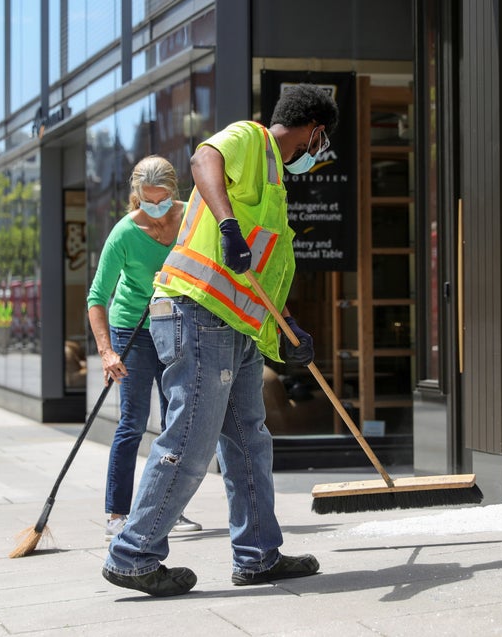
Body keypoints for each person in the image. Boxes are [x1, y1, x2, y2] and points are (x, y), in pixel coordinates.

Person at [102, 83, 338, 597]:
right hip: (196, 312)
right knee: (190, 438)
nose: (319, 151)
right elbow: (203, 157)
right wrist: (227, 224)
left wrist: (287, 331)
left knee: (249, 440)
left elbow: (263, 283)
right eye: (322, 141)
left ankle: (257, 555)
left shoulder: (274, 184)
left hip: (235, 326)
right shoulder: (252, 138)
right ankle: (133, 553)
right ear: (315, 130)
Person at [87, 155, 202, 542]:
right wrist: (107, 352)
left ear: (175, 191)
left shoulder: (191, 218)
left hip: (175, 325)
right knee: (133, 422)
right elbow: (97, 297)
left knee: (176, 422)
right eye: (148, 200)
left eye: (163, 198)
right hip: (130, 331)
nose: (157, 208)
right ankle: (117, 515)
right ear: (136, 196)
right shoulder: (123, 233)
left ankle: (169, 508)